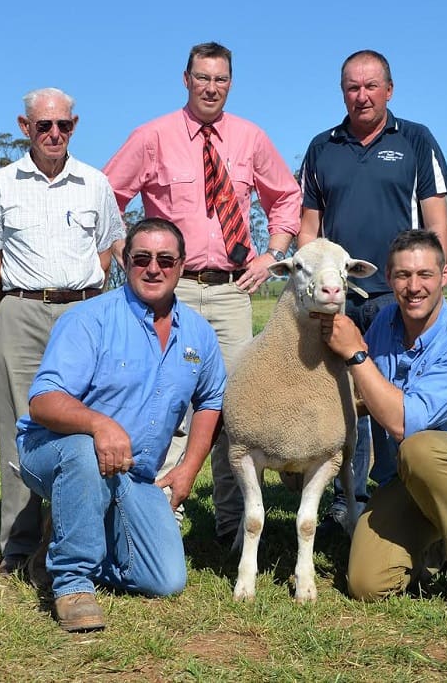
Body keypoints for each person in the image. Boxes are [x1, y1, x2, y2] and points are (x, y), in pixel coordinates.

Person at [103, 41, 301, 542]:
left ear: (230, 83)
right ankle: (157, 512)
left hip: (232, 290)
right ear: (186, 79)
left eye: (221, 79)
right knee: (166, 403)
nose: (211, 87)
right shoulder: (153, 136)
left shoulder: (250, 137)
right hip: (172, 292)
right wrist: (133, 257)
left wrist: (272, 254)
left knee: (233, 408)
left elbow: (286, 197)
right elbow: (108, 197)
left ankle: (231, 522)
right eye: (203, 77)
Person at [17, 219, 226, 632]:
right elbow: (43, 402)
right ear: (124, 264)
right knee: (82, 449)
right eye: (141, 259)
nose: (153, 268)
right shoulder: (89, 320)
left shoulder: (199, 335)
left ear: (181, 266)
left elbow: (211, 401)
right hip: (55, 452)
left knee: (165, 580)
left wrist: (188, 468)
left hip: (134, 473)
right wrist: (99, 423)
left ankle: (61, 537)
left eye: (165, 259)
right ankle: (73, 581)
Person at [0, 87, 125, 576]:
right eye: (44, 126)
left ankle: (76, 536)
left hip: (84, 312)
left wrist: (83, 296)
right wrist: (23, 299)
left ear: (74, 125)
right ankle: (19, 542)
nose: (54, 134)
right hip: (22, 310)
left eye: (64, 125)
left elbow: (107, 249)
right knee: (18, 422)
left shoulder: (95, 182)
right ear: (25, 127)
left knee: (86, 419)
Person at [298, 49, 447, 536]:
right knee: (342, 402)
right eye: (351, 87)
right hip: (340, 299)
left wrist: (432, 287)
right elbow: (308, 230)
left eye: (370, 86)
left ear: (389, 89)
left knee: (392, 397)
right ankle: (348, 501)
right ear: (342, 91)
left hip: (396, 298)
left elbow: (437, 224)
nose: (360, 96)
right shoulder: (322, 147)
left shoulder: (415, 140)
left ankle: (395, 496)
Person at [320, 230, 447, 616]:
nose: (414, 287)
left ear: (444, 276)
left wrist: (356, 355)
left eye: (425, 274)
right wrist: (312, 433)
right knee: (366, 583)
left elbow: (405, 423)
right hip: (409, 477)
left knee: (419, 445)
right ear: (388, 279)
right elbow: (366, 398)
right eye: (403, 275)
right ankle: (435, 541)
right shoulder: (385, 322)